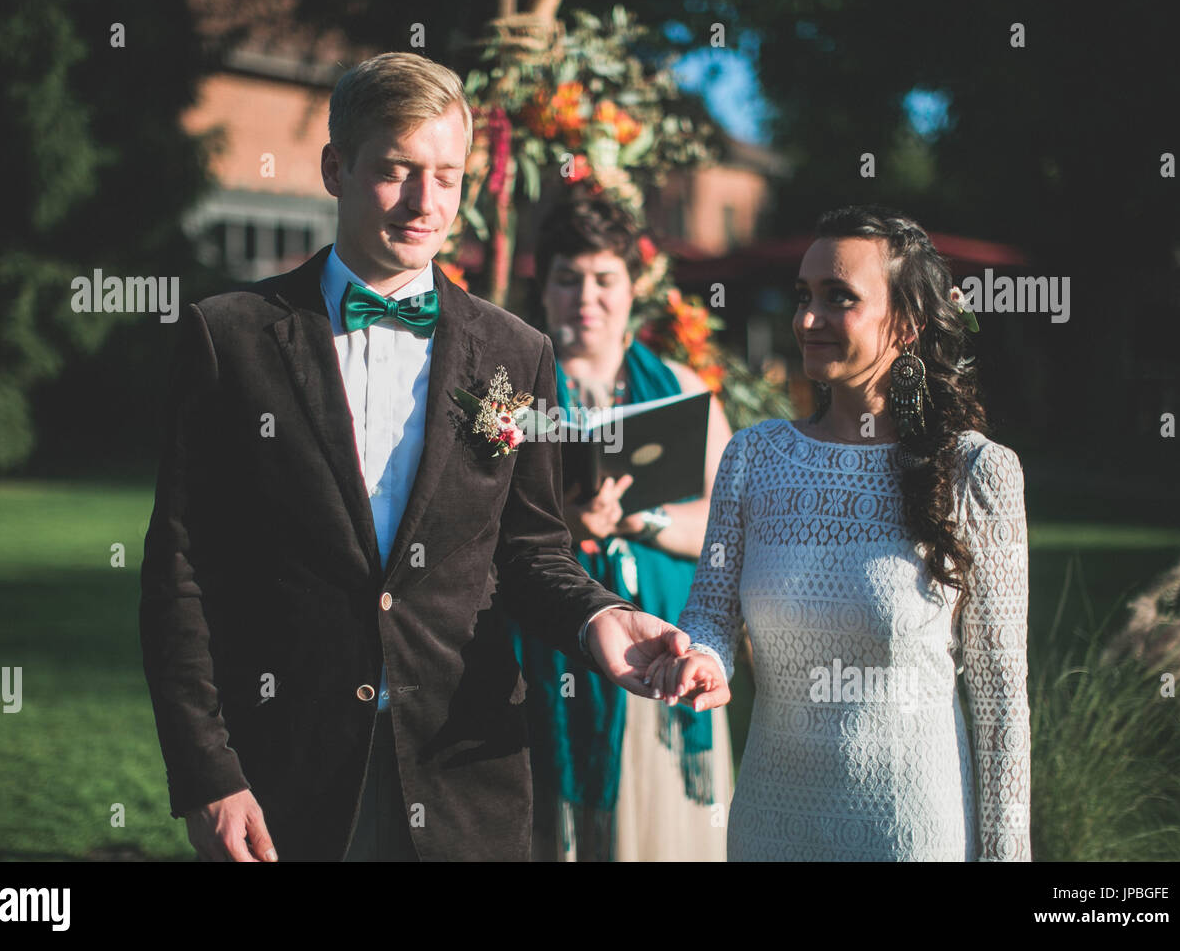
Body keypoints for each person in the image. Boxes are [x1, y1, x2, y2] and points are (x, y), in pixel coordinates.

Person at [138, 52, 696, 863]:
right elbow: (180, 569)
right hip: (285, 780)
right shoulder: (231, 338)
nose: (425, 203)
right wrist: (207, 773)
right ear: (336, 168)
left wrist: (599, 618)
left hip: (466, 777)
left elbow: (530, 549)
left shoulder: (517, 352)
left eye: (447, 175)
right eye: (397, 170)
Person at [656, 205, 1031, 861]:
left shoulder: (974, 472)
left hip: (908, 834)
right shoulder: (754, 458)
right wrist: (704, 660)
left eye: (840, 298)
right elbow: (709, 614)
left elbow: (1002, 706)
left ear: (908, 324)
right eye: (803, 296)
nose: (806, 319)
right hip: (770, 831)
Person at [509, 195, 736, 861]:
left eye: (605, 278)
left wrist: (641, 518)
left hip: (662, 653)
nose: (587, 297)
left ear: (632, 287)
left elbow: (727, 531)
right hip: (553, 656)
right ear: (543, 287)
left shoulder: (680, 388)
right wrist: (566, 526)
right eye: (567, 278)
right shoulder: (514, 393)